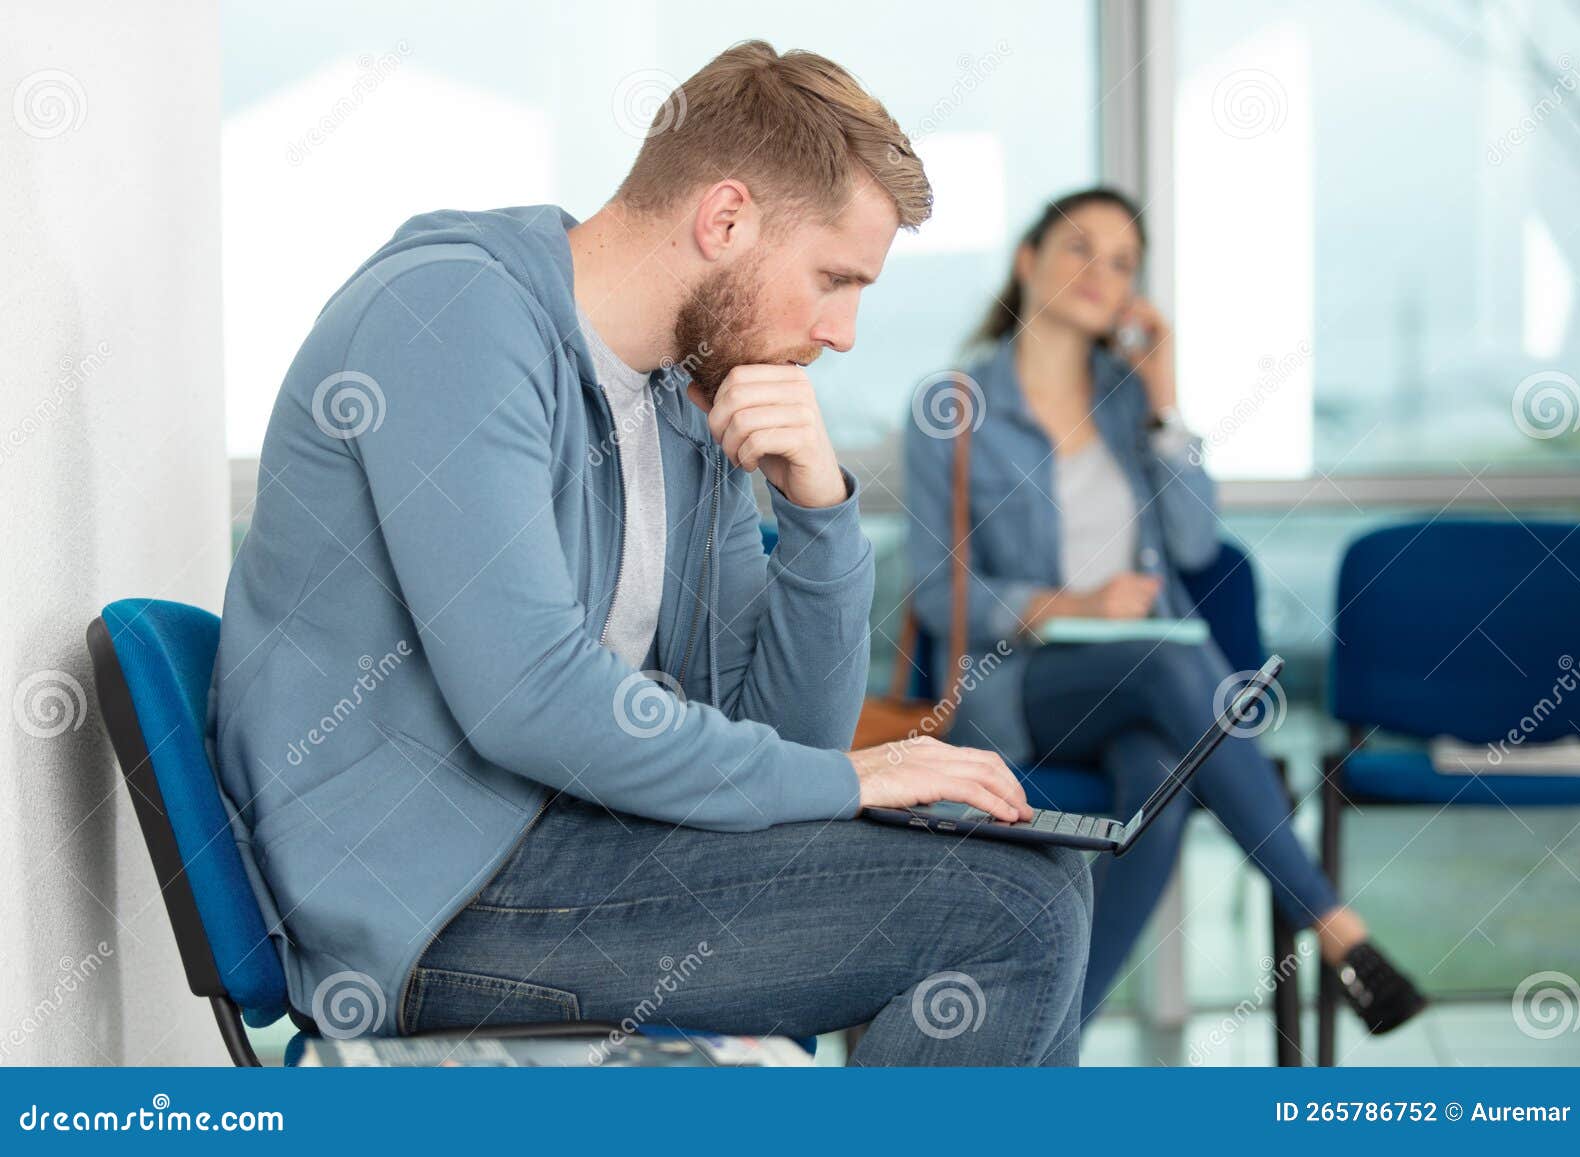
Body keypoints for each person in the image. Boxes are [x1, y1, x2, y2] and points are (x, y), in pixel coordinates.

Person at [211, 41, 1094, 1066]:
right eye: (832, 278)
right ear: (724, 220)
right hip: (429, 901)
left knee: (1040, 875)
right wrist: (854, 780)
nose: (843, 329)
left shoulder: (684, 401)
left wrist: (817, 512)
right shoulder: (451, 314)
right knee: (1004, 911)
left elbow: (781, 738)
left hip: (575, 851)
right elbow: (530, 696)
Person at [901, 187, 1426, 1035]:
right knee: (1173, 664)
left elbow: (1191, 543)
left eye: (1120, 263)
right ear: (1028, 261)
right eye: (1078, 248)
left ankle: (1050, 1039)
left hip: (1143, 694)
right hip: (1024, 686)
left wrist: (1163, 401)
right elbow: (939, 589)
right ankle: (1338, 929)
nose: (1098, 273)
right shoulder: (953, 407)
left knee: (1161, 775)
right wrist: (1077, 603)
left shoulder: (1123, 399)